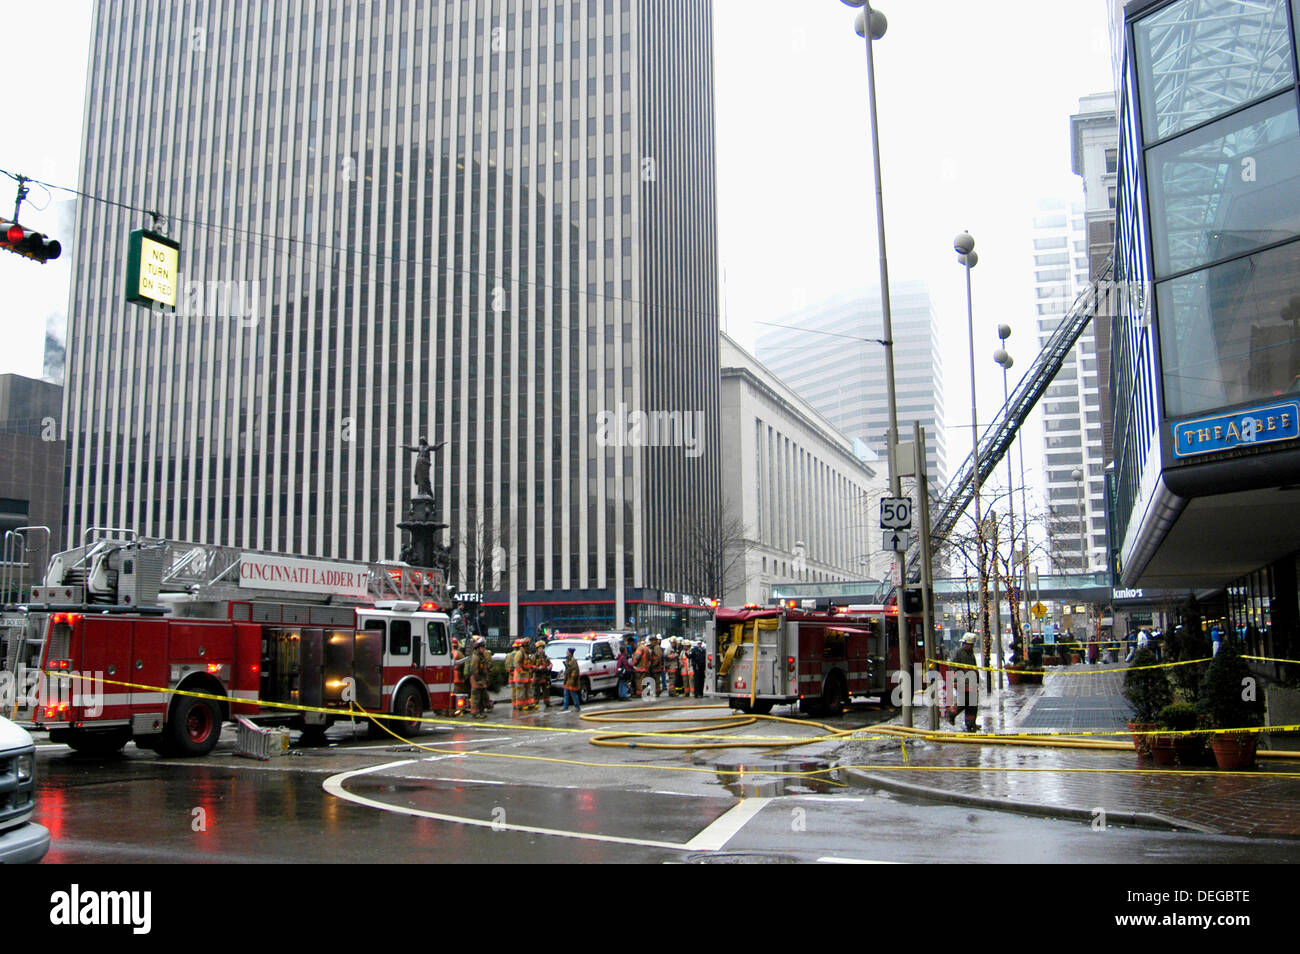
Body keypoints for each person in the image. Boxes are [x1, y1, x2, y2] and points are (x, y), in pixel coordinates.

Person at [949, 634, 980, 732]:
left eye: (972, 644)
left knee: (972, 704)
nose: (971, 646)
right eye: (969, 644)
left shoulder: (971, 653)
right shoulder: (959, 652)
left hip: (971, 683)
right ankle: (951, 713)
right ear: (964, 643)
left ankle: (971, 724)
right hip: (963, 683)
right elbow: (952, 666)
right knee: (964, 702)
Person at [466, 637, 491, 718]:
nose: (484, 649)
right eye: (482, 647)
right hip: (476, 681)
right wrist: (479, 680)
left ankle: (481, 711)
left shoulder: (481, 656)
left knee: (482, 698)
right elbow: (473, 670)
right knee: (476, 698)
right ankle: (475, 713)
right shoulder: (475, 657)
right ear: (478, 648)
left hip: (481, 680)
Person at [531, 639, 552, 709]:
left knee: (546, 691)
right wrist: (537, 668)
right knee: (536, 691)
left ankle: (547, 703)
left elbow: (550, 663)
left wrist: (549, 666)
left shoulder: (545, 656)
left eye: (542, 648)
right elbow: (531, 666)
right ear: (537, 649)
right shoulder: (534, 657)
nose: (541, 650)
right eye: (540, 648)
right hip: (537, 677)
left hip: (545, 677)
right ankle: (535, 703)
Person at [561, 648, 582, 713]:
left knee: (573, 694)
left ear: (570, 653)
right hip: (567, 679)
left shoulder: (573, 661)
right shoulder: (568, 660)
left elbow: (575, 671)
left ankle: (577, 706)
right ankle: (565, 706)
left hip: (572, 680)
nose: (566, 653)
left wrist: (572, 679)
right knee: (566, 693)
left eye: (567, 652)